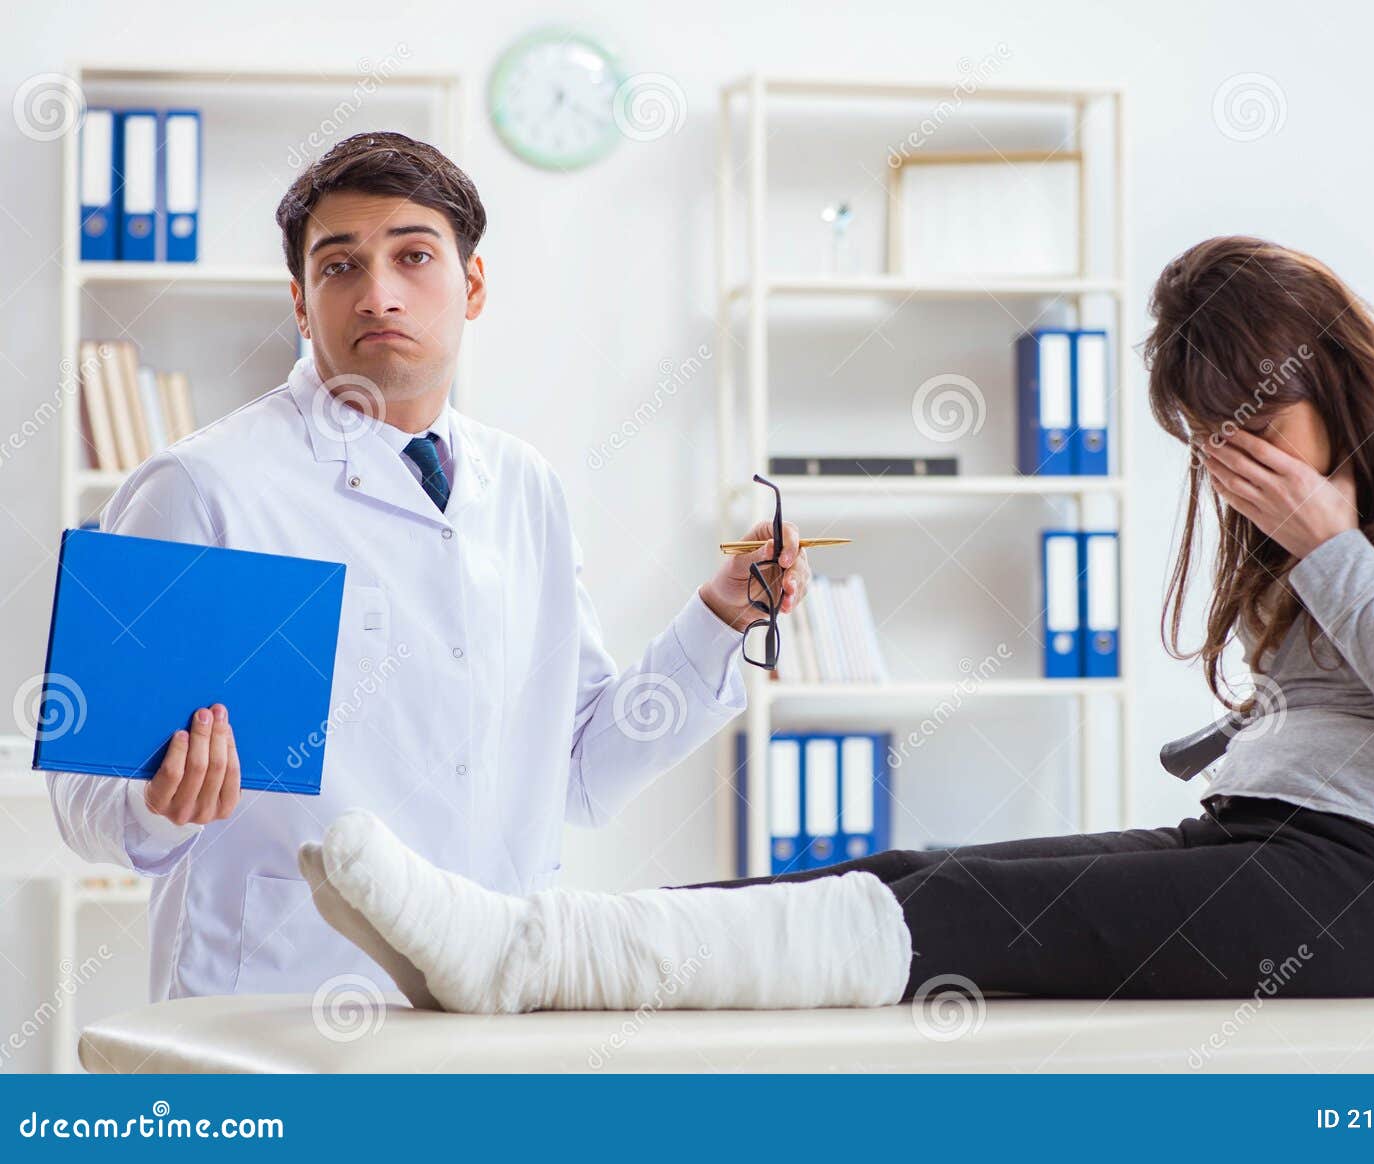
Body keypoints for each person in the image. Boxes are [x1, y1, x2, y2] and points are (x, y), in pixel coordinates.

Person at [297, 235, 1374, 1014]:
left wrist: (1331, 549)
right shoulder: (1306, 491)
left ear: (1330, 366)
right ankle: (531, 943)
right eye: (1211, 449)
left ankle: (527, 960)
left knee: (963, 918)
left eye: (1252, 431)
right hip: (1265, 836)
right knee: (919, 871)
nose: (1236, 472)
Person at [47, 131, 812, 1003]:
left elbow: (584, 772)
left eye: (414, 256)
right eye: (340, 268)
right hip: (278, 1002)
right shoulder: (198, 486)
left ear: (471, 285)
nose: (379, 295)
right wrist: (159, 805)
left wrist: (715, 622)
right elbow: (84, 798)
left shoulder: (525, 487)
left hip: (498, 994)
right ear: (300, 304)